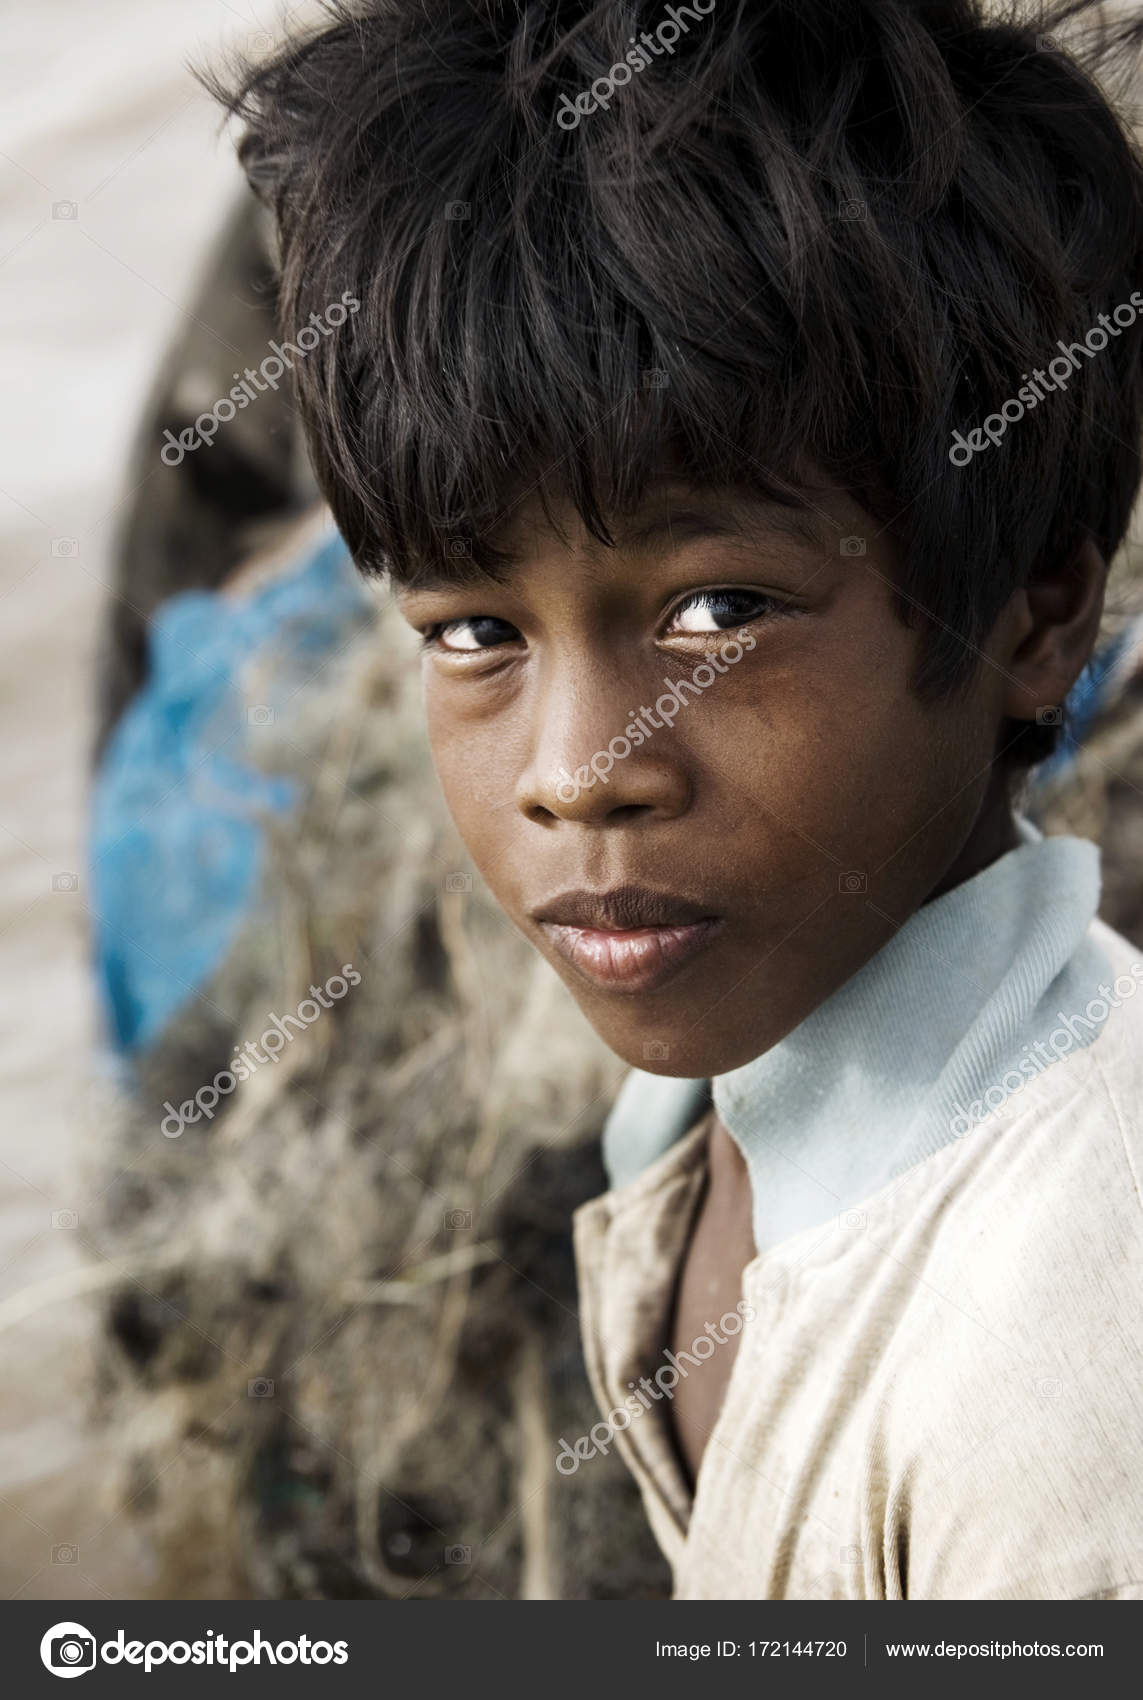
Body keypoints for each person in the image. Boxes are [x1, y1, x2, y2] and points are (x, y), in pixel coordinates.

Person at [210, 0, 1143, 1598]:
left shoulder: (1064, 1389)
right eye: (477, 635)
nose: (577, 772)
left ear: (1033, 616)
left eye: (719, 616)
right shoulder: (694, 1103)